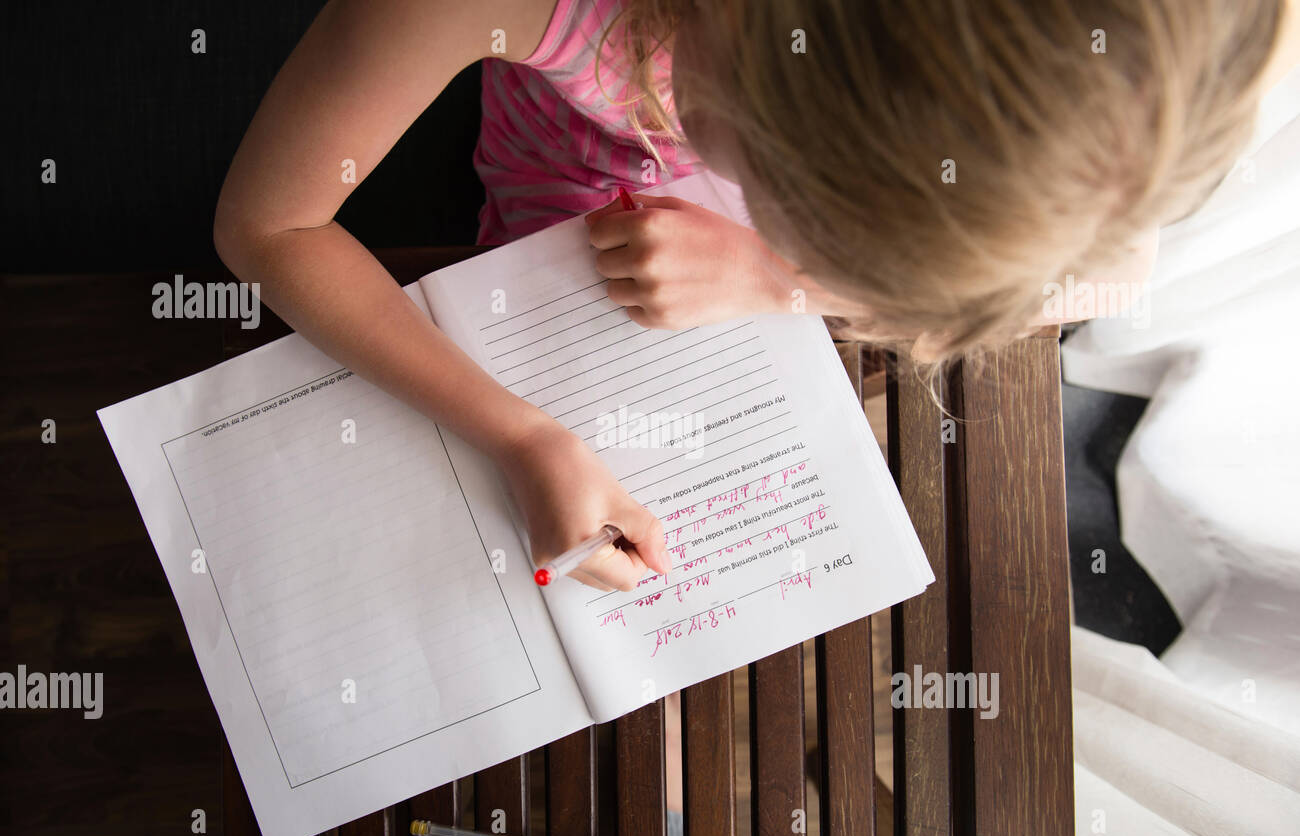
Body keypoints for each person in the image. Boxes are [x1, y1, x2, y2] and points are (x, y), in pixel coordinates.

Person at [214, 0, 1293, 595]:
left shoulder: (1157, 55)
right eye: (788, 213)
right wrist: (523, 438)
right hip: (579, 196)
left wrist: (778, 277)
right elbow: (268, 228)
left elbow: (1119, 262)